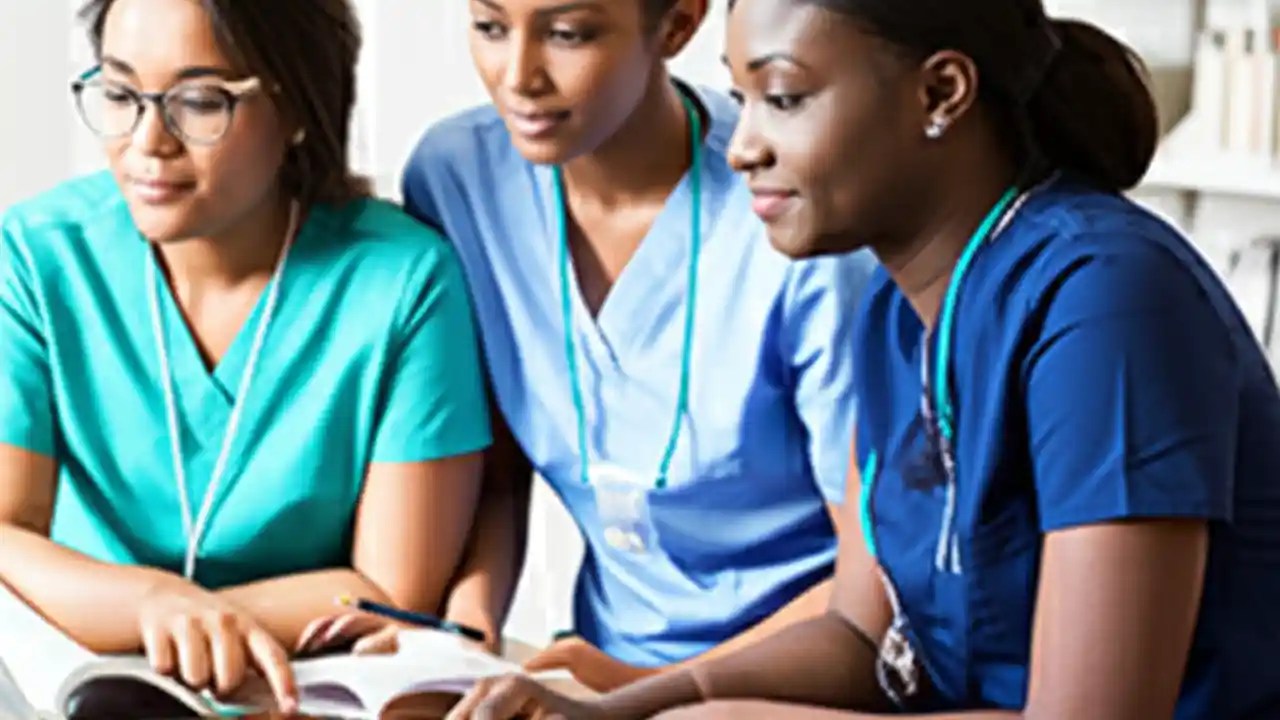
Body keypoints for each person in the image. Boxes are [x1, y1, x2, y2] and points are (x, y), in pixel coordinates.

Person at [439, 0, 1280, 717]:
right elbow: (857, 636)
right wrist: (628, 705)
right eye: (742, 100)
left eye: (784, 98)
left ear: (940, 92)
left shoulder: (1107, 302)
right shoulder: (892, 311)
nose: (741, 147)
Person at [339, 0, 875, 693]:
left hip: (801, 677)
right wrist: (463, 633)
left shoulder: (796, 221)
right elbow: (498, 474)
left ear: (678, 25)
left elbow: (881, 582)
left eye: (568, 34)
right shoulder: (458, 177)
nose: (518, 75)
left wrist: (651, 686)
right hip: (590, 665)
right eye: (490, 26)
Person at [0, 0, 491, 712]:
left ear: (297, 107)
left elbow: (389, 592)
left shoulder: (404, 281)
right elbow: (6, 533)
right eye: (118, 93)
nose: (148, 141)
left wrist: (196, 625)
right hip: (66, 681)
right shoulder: (39, 254)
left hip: (295, 691)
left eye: (199, 102)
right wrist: (152, 604)